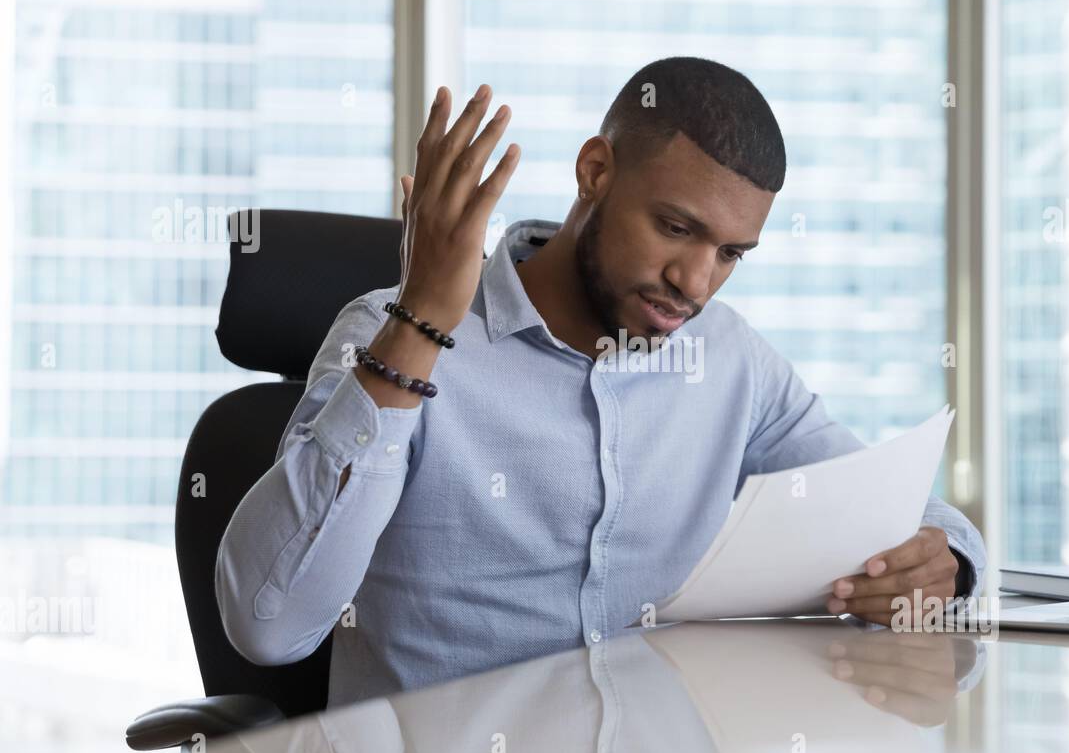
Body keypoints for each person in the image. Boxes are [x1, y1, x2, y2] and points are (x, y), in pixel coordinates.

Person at [215, 56, 987, 707]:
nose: (694, 281)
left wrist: (947, 563)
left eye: (730, 254)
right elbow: (270, 626)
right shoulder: (387, 331)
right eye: (677, 229)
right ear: (594, 172)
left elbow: (886, 503)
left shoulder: (728, 361)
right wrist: (421, 323)